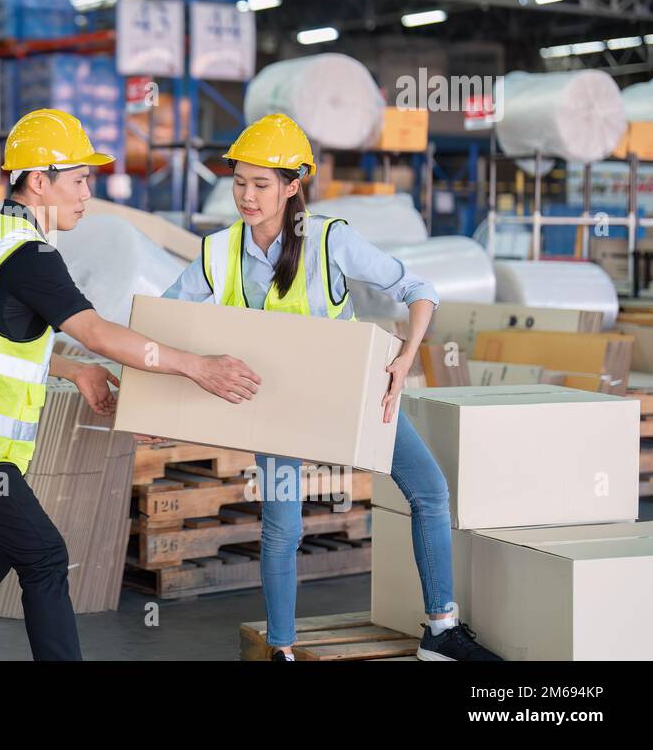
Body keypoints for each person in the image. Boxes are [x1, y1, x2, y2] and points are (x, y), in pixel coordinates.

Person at [0, 107, 260, 661]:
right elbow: (95, 331)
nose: (89, 192)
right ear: (39, 181)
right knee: (44, 557)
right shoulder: (30, 254)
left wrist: (74, 370)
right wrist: (197, 365)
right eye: (79, 179)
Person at [163, 113, 500, 661]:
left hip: (353, 392)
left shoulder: (330, 240)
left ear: (293, 186)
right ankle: (283, 651)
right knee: (282, 529)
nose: (246, 196)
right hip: (276, 403)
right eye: (239, 181)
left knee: (430, 492)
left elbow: (420, 289)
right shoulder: (217, 252)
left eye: (261, 184)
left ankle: (440, 630)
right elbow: (165, 321)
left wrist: (403, 359)